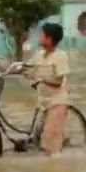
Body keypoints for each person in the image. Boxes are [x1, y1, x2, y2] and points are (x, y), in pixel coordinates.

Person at [24, 22, 70, 155]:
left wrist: (38, 77)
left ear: (49, 39)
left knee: (49, 144)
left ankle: (54, 170)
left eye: (42, 35)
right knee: (37, 138)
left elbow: (58, 82)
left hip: (57, 102)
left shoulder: (60, 56)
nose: (39, 37)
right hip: (43, 103)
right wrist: (5, 69)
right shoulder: (39, 54)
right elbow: (26, 67)